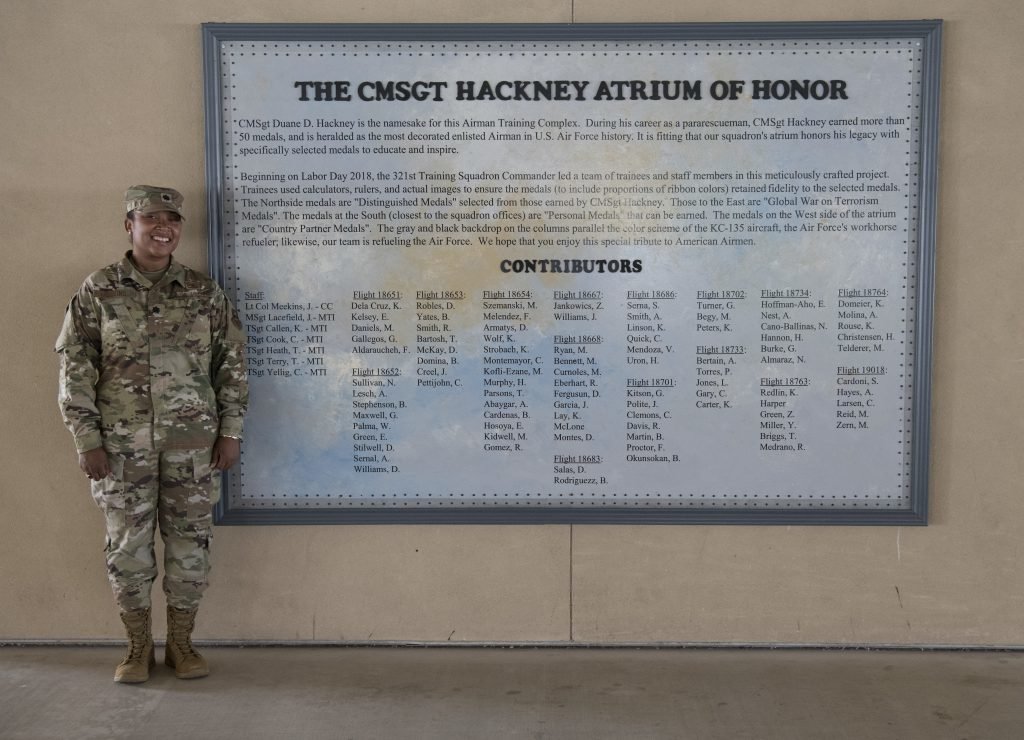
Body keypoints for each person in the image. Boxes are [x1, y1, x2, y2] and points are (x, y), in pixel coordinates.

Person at [56, 185, 248, 683]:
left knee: (190, 548)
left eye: (173, 219)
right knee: (128, 550)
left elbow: (231, 365)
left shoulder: (204, 292)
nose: (164, 228)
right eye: (151, 219)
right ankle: (137, 647)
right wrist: (87, 440)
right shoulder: (98, 290)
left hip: (193, 449)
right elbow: (75, 370)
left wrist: (231, 432)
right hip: (120, 452)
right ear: (129, 225)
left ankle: (181, 645)